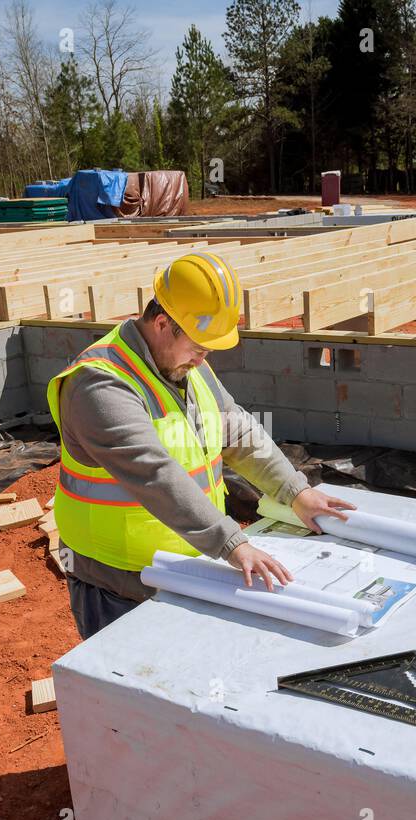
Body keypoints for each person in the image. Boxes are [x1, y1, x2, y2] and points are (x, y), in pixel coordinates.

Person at [47, 251, 356, 639]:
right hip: (119, 580)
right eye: (198, 347)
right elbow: (154, 474)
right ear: (162, 324)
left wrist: (294, 491)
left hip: (187, 564)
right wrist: (230, 542)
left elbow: (237, 431)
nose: (203, 358)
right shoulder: (99, 384)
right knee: (128, 692)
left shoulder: (185, 362)